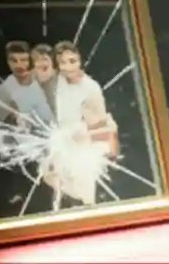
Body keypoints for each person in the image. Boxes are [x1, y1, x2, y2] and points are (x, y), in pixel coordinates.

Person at [41, 41, 119, 207]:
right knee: (55, 184)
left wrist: (84, 135)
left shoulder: (91, 87)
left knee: (83, 189)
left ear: (80, 60)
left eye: (72, 61)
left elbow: (104, 124)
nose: (68, 67)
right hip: (59, 140)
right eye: (63, 63)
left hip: (82, 143)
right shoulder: (57, 83)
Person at [0, 40, 54, 165]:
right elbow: (3, 129)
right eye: (14, 60)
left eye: (24, 60)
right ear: (8, 62)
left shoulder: (43, 78)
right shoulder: (4, 90)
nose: (19, 65)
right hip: (28, 154)